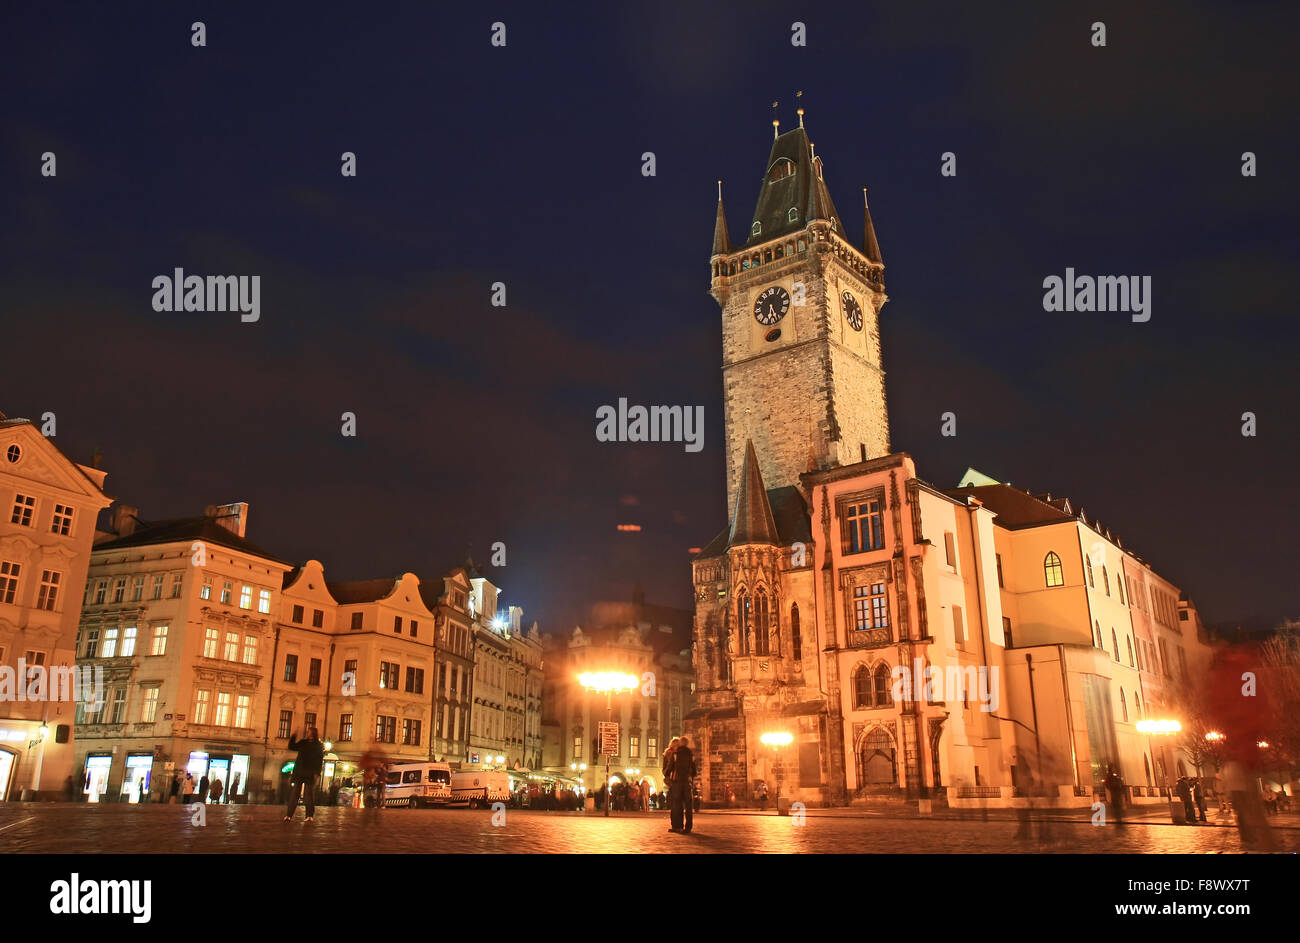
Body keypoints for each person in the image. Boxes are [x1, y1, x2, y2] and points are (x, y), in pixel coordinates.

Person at [284, 726, 325, 822]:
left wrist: (316, 773)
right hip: (300, 771)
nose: (308, 733)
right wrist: (294, 735)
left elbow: (319, 760)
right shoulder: (304, 742)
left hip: (309, 772)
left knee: (308, 795)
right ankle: (289, 815)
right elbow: (292, 746)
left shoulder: (318, 745)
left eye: (309, 732)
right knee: (295, 794)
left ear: (313, 733)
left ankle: (309, 815)